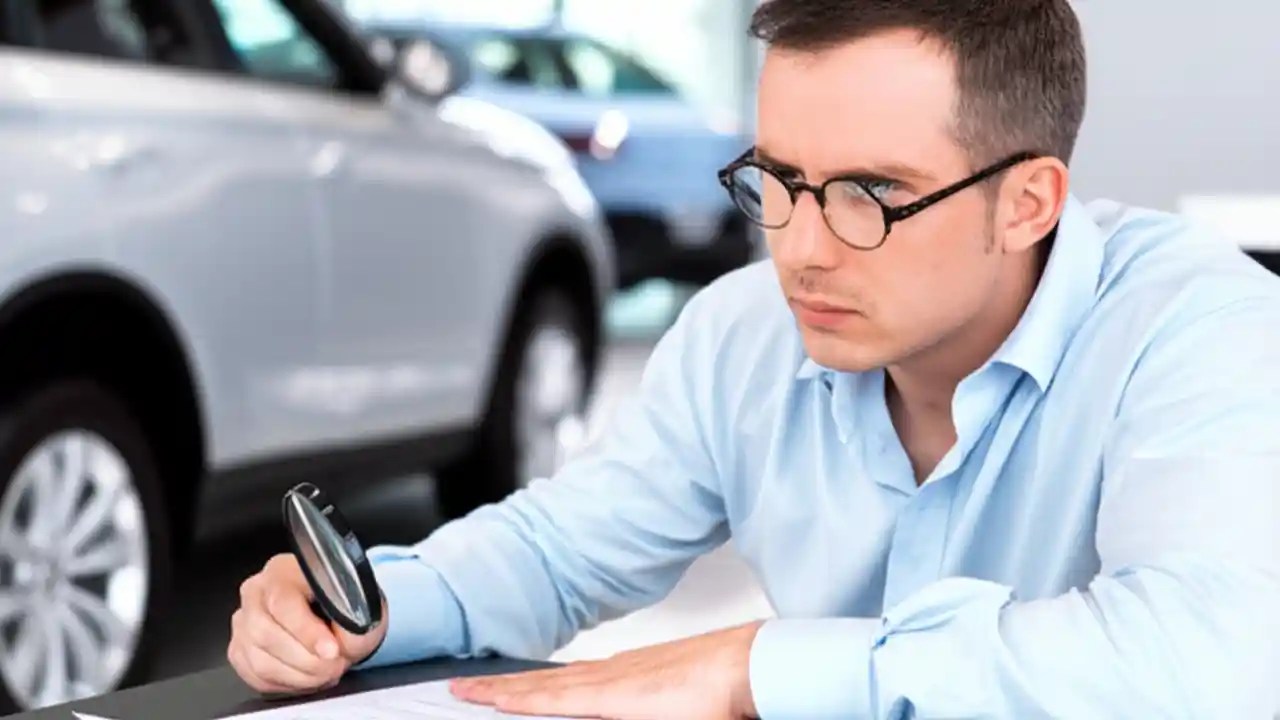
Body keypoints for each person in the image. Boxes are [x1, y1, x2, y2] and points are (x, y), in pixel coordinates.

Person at [227, 0, 1280, 717]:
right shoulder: (743, 334)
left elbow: (1207, 660)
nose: (801, 247)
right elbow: (559, 552)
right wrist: (364, 611)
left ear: (1026, 203)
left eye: (868, 196)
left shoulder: (1200, 329)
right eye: (776, 180)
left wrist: (751, 667)